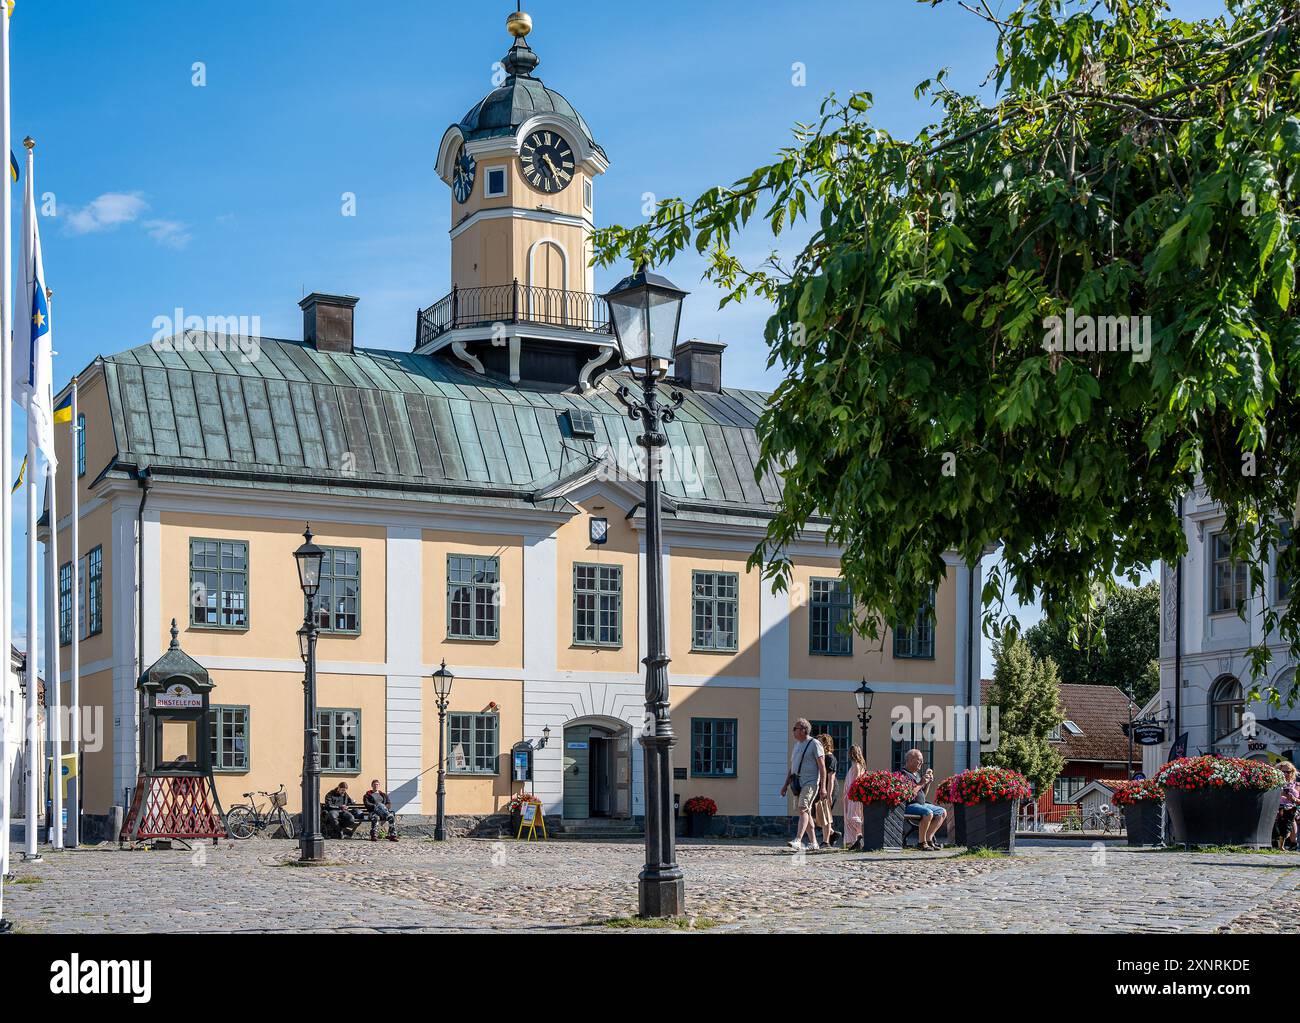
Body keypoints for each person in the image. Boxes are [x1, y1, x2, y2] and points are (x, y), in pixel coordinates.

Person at [780, 718, 827, 851]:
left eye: (795, 729)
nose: (793, 731)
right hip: (797, 783)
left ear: (804, 730)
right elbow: (793, 767)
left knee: (802, 808)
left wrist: (823, 787)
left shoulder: (815, 744)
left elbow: (822, 767)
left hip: (810, 782)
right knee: (805, 812)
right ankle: (814, 843)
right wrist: (785, 785)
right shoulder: (797, 745)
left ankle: (798, 840)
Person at [899, 748, 946, 850]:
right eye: (919, 760)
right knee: (928, 813)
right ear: (910, 760)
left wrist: (927, 783)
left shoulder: (916, 775)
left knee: (942, 812)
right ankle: (921, 842)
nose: (922, 762)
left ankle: (929, 839)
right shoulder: (903, 774)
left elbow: (922, 795)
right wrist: (921, 783)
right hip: (908, 805)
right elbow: (909, 795)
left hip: (920, 804)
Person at [812, 733, 841, 847]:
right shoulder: (822, 757)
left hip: (830, 788)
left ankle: (826, 841)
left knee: (826, 814)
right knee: (816, 815)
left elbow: (831, 778)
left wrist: (829, 795)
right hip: (822, 788)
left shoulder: (830, 758)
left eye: (819, 743)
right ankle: (833, 834)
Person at [842, 744, 867, 851]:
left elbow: (855, 782)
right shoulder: (855, 765)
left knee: (852, 817)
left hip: (853, 796)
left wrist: (849, 793)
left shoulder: (856, 765)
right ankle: (852, 841)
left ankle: (859, 834)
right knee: (848, 818)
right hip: (850, 795)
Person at [1274, 761, 1299, 850]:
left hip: (1292, 807)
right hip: (1276, 807)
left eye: (1287, 772)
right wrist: (1280, 793)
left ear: (1292, 772)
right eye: (1282, 772)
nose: (1285, 774)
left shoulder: (1296, 785)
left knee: (1292, 817)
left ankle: (1293, 843)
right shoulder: (1275, 783)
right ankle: (1279, 844)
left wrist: (1293, 799)